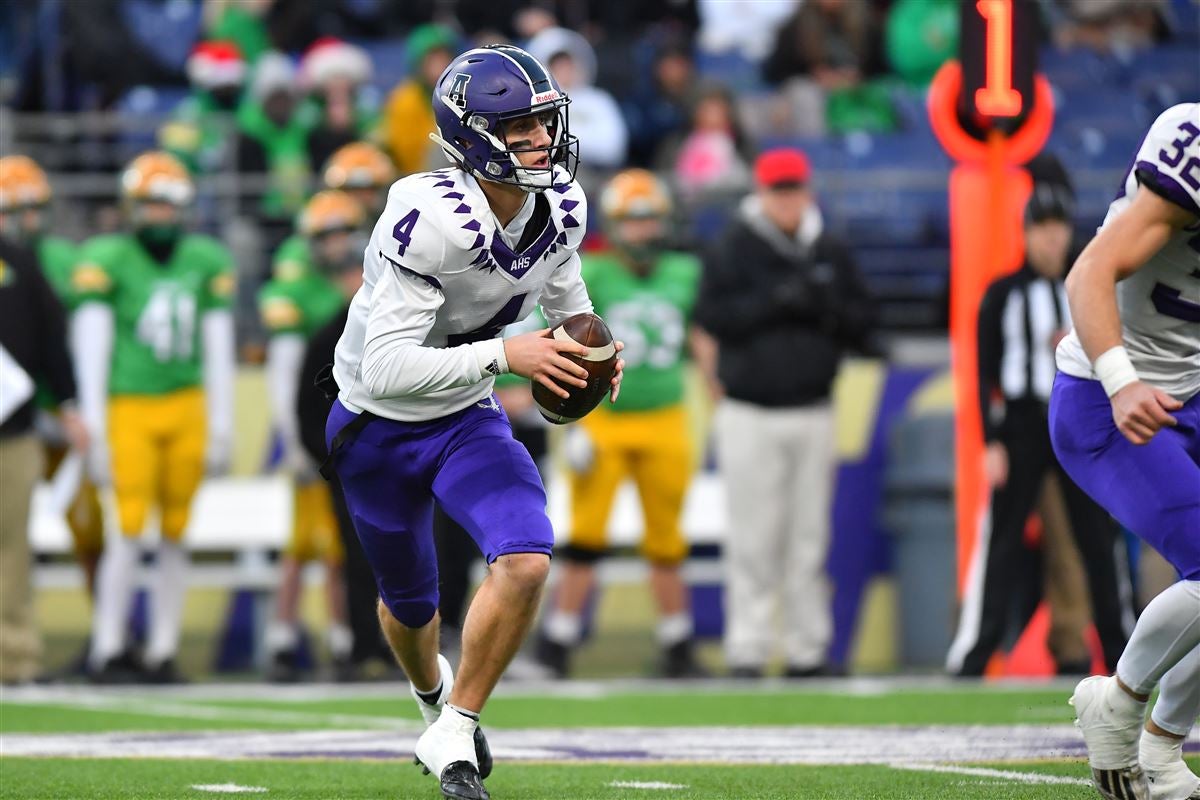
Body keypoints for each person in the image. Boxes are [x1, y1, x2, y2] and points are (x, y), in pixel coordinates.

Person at [324, 45, 623, 800]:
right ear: (473, 135)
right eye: (519, 127)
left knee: (524, 555)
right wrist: (507, 353)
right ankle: (432, 698)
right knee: (411, 604)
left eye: (544, 122)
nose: (541, 140)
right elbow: (390, 368)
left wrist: (593, 346)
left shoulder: (559, 206)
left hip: (464, 417)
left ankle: (458, 722)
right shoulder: (424, 217)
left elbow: (566, 297)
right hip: (376, 425)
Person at [1050, 102, 1199, 800]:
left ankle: (1164, 751)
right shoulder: (1191, 146)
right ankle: (1119, 702)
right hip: (1111, 394)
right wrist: (1120, 381)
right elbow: (1088, 274)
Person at [693, 147, 872, 679]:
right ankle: (747, 648)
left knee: (809, 537)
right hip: (750, 408)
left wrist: (823, 304)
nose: (789, 200)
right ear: (761, 194)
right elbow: (712, 318)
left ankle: (806, 649)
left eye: (795, 189)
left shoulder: (829, 248)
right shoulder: (733, 247)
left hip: (813, 407)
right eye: (779, 190)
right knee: (752, 536)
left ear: (807, 191)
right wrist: (776, 300)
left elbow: (863, 319)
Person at [946, 183, 1135, 678]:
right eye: (1042, 230)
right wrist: (990, 440)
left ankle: (1122, 651)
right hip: (1023, 426)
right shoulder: (1003, 293)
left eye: (1059, 230)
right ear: (1027, 234)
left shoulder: (1086, 287)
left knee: (1098, 538)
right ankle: (977, 651)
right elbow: (983, 372)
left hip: (1076, 420)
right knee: (1003, 541)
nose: (1052, 241)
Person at [73, 151, 237, 684]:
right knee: (127, 533)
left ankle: (163, 649)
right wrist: (95, 426)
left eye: (169, 206)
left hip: (186, 402)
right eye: (151, 205)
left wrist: (222, 422)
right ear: (131, 207)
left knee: (174, 533)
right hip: (129, 404)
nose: (160, 216)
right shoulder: (108, 257)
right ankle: (108, 647)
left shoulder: (205, 257)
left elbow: (218, 346)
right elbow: (92, 346)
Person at [536, 169, 705, 679]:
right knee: (587, 535)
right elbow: (563, 340)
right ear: (614, 224)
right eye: (633, 221)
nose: (642, 231)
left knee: (667, 537)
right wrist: (575, 426)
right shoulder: (595, 272)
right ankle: (559, 639)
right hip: (605, 420)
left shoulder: (686, 271)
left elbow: (702, 339)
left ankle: (677, 641)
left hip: (666, 414)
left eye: (650, 219)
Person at [260, 190, 363, 682]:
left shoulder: (365, 277)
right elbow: (284, 373)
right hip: (311, 425)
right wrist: (293, 438)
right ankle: (285, 637)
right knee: (303, 542)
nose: (335, 243)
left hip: (352, 425)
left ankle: (344, 637)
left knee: (342, 543)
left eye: (342, 232)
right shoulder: (297, 285)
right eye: (326, 235)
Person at [0, 156, 104, 603]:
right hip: (17, 414)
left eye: (35, 208)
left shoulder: (63, 259)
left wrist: (75, 403)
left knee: (89, 526)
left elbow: (76, 337)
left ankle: (108, 635)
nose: (29, 221)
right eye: (17, 210)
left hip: (53, 411)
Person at [0, 235, 88, 685]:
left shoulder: (19, 263)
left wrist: (69, 404)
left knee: (13, 544)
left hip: (13, 429)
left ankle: (16, 657)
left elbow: (52, 333)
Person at [526, 27, 629, 172]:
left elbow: (613, 147)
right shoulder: (537, 103)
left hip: (598, 174)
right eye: (557, 65)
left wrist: (566, 139)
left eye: (568, 63)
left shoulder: (599, 100)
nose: (564, 70)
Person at [159, 41, 248, 175]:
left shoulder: (243, 111)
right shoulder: (187, 115)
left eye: (232, 88)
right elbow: (177, 161)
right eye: (223, 88)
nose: (229, 93)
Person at [383, 24, 459, 176]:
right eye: (433, 59)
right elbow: (405, 153)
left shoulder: (464, 94)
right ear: (419, 63)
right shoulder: (404, 99)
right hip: (414, 177)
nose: (440, 65)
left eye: (444, 57)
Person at [298, 38, 378, 173]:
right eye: (333, 79)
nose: (338, 85)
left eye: (342, 79)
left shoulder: (368, 118)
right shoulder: (309, 122)